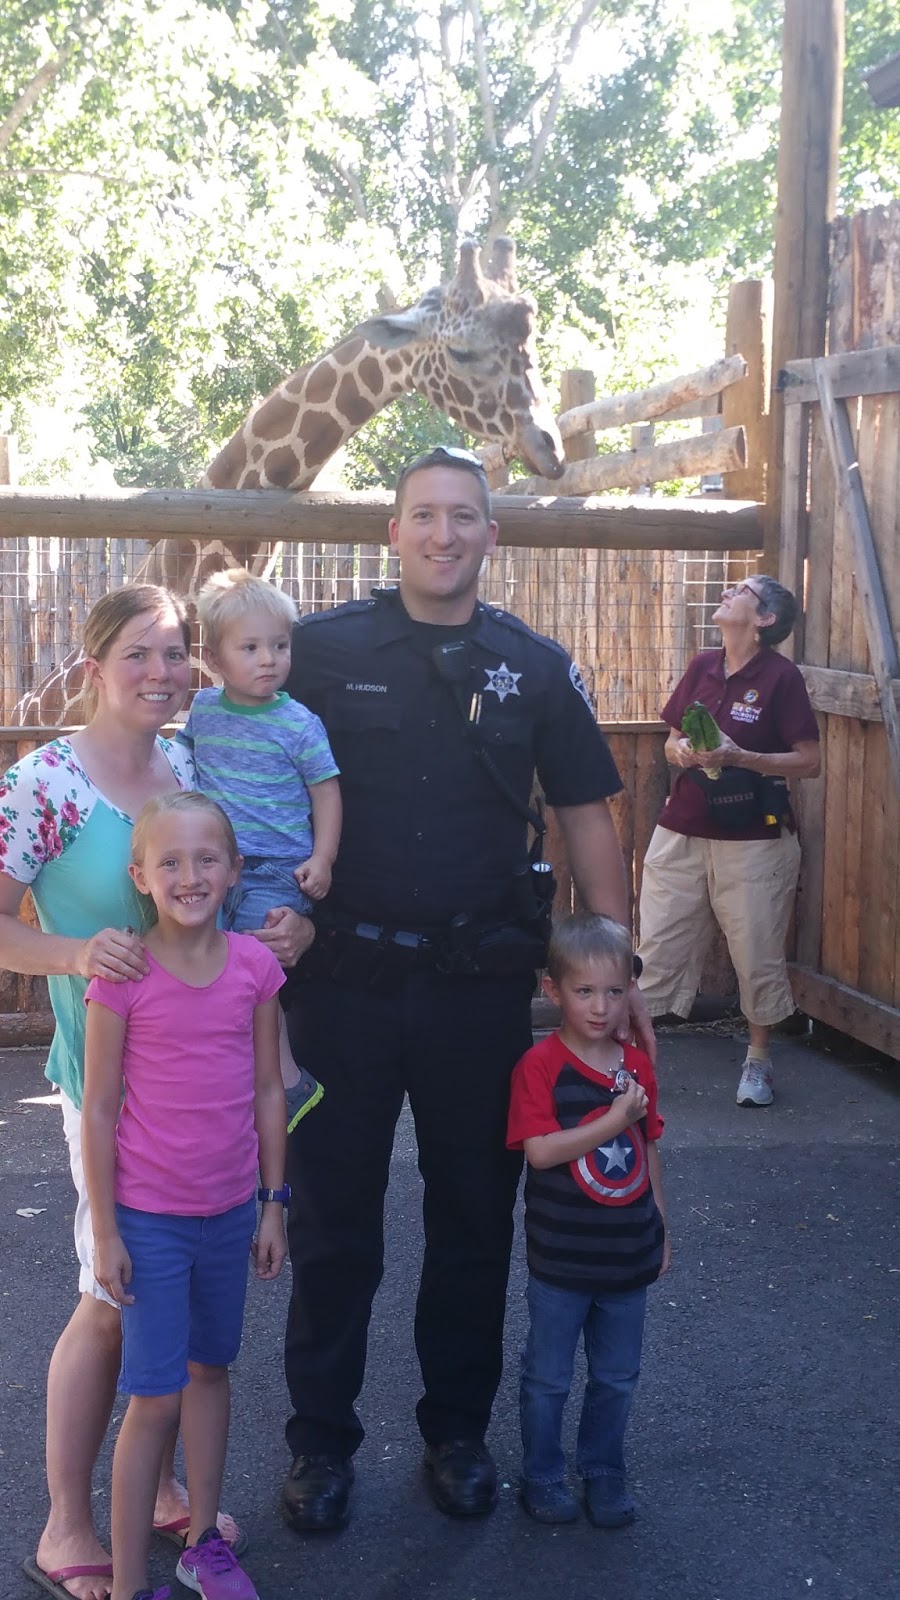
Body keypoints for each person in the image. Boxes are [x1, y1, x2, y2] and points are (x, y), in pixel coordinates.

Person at [278, 444, 654, 1533]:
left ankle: (456, 1430)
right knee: (335, 1223)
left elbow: (586, 810)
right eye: (423, 516)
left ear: (494, 536)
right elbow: (250, 773)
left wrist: (614, 964)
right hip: (341, 983)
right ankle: (320, 1443)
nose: (443, 535)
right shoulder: (316, 652)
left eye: (464, 517)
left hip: (477, 987)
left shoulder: (533, 666)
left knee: (475, 1219)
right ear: (390, 533)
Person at [0, 585, 308, 1600]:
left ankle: (155, 1485)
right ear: (94, 664)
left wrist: (284, 927)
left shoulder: (184, 765)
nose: (163, 672)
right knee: (108, 1300)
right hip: (110, 1090)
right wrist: (76, 947)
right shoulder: (44, 782)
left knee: (156, 1322)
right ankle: (68, 1524)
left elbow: (220, 886)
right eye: (140, 652)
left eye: (177, 653)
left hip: (199, 1096)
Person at [80, 791, 288, 1600]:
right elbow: (99, 1107)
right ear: (141, 876)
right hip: (150, 1222)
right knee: (153, 1401)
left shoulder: (254, 968)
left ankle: (205, 1543)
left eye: (208, 859)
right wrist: (106, 1232)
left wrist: (275, 1202)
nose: (191, 875)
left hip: (231, 1213)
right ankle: (131, 1584)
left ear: (234, 873)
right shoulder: (123, 978)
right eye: (170, 861)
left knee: (211, 1373)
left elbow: (270, 1089)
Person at [506, 914, 669, 1527]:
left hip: (628, 1256)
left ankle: (603, 1471)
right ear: (553, 990)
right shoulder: (541, 1067)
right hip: (560, 1260)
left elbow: (649, 1147)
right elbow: (541, 1151)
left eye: (614, 991)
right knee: (548, 1379)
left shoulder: (636, 1065)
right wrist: (614, 1115)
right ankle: (543, 1475)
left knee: (617, 1378)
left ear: (630, 989)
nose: (600, 1007)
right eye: (584, 991)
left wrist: (661, 1224)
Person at [636, 575, 820, 1108]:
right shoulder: (702, 666)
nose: (727, 592)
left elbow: (809, 761)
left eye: (741, 590)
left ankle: (757, 1063)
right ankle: (633, 1069)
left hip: (754, 840)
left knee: (756, 952)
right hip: (681, 831)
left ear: (764, 620)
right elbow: (671, 738)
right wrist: (685, 754)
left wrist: (740, 758)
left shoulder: (781, 677)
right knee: (657, 947)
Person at [177, 569, 342, 1131]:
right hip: (213, 867)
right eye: (250, 647)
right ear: (217, 658)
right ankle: (233, 1073)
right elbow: (176, 769)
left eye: (279, 645)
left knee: (248, 966)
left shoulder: (299, 724)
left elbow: (327, 792)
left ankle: (288, 1079)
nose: (268, 658)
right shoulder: (202, 711)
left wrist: (322, 859)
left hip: (274, 871)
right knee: (200, 962)